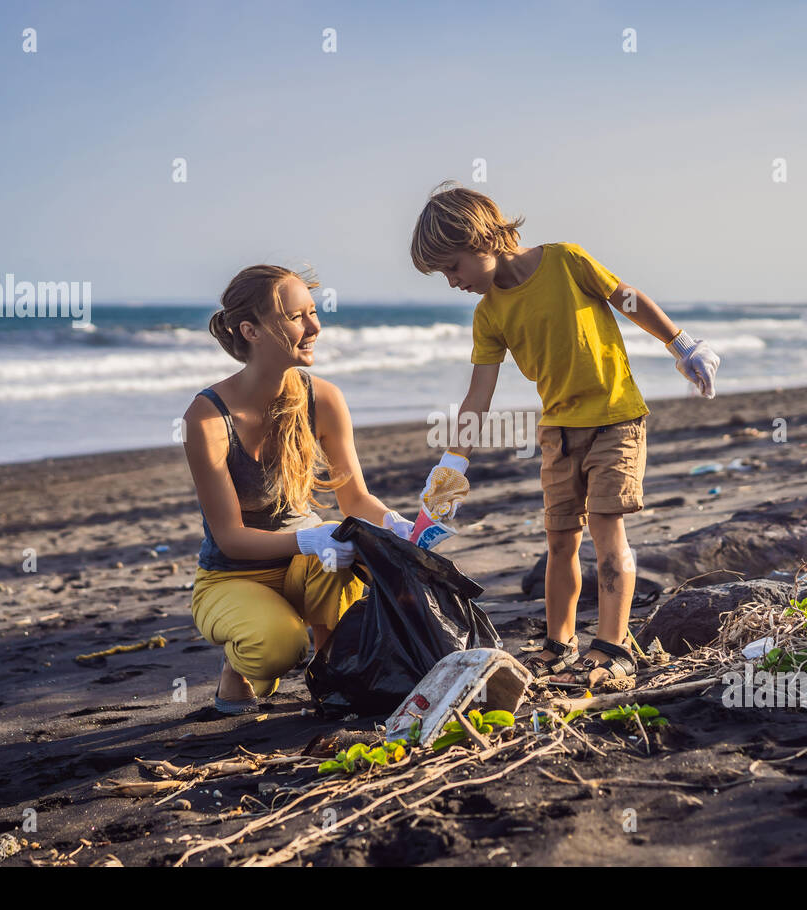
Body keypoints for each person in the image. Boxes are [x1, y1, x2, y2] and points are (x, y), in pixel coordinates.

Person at [410, 184, 721, 687]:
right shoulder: (489, 313)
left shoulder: (565, 261)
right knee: (559, 541)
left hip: (616, 420)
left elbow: (628, 299)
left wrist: (681, 344)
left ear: (482, 239)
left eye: (452, 267)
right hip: (557, 432)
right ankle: (560, 644)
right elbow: (479, 394)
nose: (451, 282)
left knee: (606, 530)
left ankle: (613, 648)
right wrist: (452, 466)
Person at [182, 265, 414, 714]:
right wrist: (310, 538)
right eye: (296, 316)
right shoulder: (206, 418)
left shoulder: (323, 397)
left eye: (312, 312)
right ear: (250, 330)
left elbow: (356, 499)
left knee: (346, 542)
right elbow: (229, 537)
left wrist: (398, 525)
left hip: (305, 565)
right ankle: (238, 668)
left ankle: (331, 673)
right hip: (231, 577)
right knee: (279, 647)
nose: (315, 326)